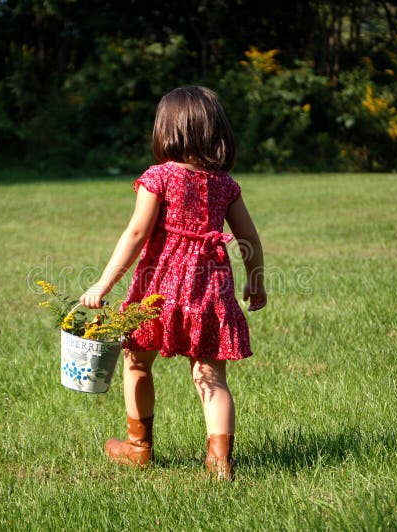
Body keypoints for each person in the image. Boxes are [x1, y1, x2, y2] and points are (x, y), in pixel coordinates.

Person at [80, 85, 266, 480]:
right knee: (211, 377)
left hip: (159, 288)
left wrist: (102, 283)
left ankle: (138, 447)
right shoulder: (225, 184)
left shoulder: (158, 177)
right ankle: (220, 463)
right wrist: (256, 281)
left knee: (136, 361)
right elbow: (249, 239)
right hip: (210, 287)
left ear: (168, 130)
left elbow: (135, 234)